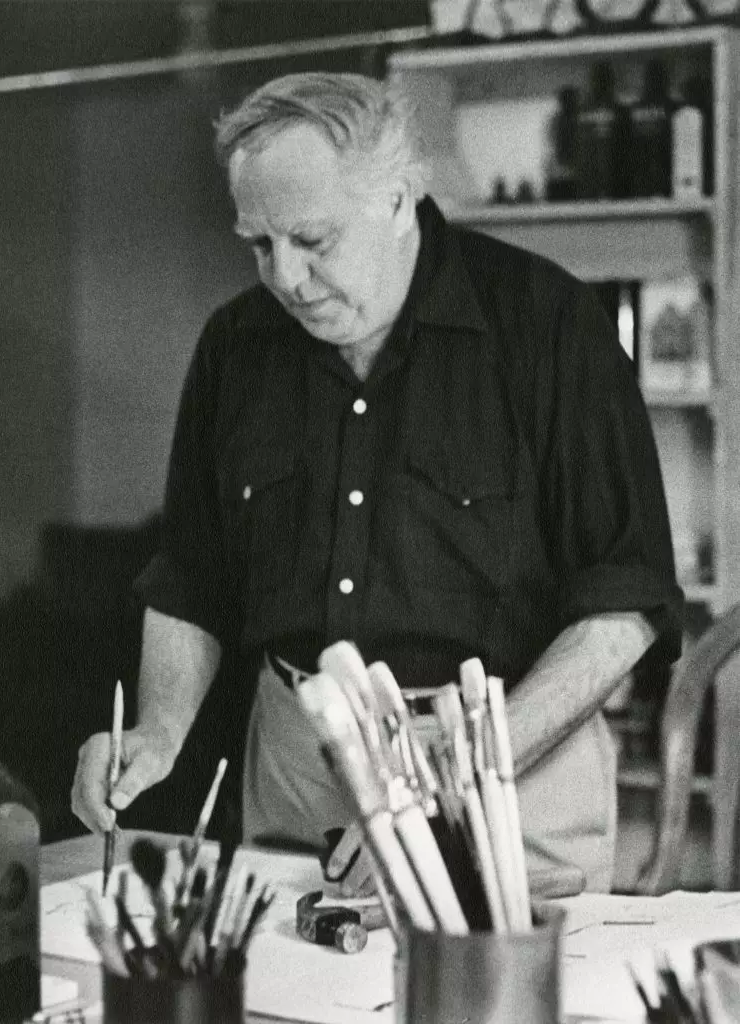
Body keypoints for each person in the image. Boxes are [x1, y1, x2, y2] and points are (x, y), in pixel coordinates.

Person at [71, 72, 683, 894]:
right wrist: (159, 728)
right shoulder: (234, 347)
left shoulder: (550, 327)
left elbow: (624, 604)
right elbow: (193, 578)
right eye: (260, 243)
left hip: (508, 773)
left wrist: (450, 772)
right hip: (299, 770)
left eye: (313, 241)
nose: (284, 277)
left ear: (397, 202)